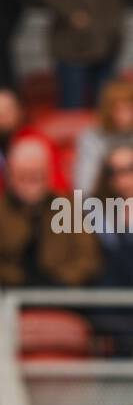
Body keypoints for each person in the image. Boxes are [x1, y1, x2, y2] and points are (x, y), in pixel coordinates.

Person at [0, 131, 101, 287]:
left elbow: (89, 257)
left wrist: (61, 282)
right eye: (23, 175)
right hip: (9, 295)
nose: (30, 183)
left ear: (49, 175)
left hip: (64, 294)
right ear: (9, 175)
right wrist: (22, 281)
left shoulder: (69, 207)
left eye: (37, 175)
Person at [90, 144, 133, 354]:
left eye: (129, 169)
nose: (123, 178)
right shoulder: (93, 215)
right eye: (114, 172)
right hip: (111, 308)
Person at [74, 79, 133, 196]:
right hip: (105, 200)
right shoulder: (92, 138)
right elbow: (85, 186)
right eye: (117, 109)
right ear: (107, 110)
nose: (124, 115)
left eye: (129, 108)